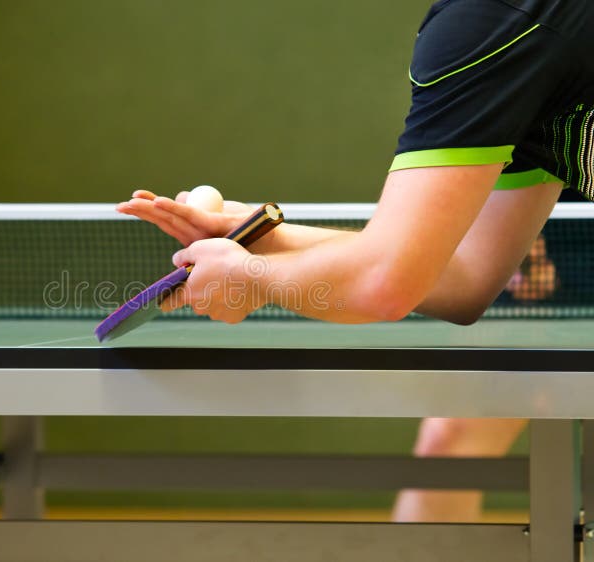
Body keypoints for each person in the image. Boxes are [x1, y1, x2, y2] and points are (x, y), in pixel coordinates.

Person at [117, 0, 594, 520]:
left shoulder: (488, 22)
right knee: (450, 435)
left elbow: (385, 285)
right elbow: (465, 275)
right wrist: (261, 235)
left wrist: (251, 278)